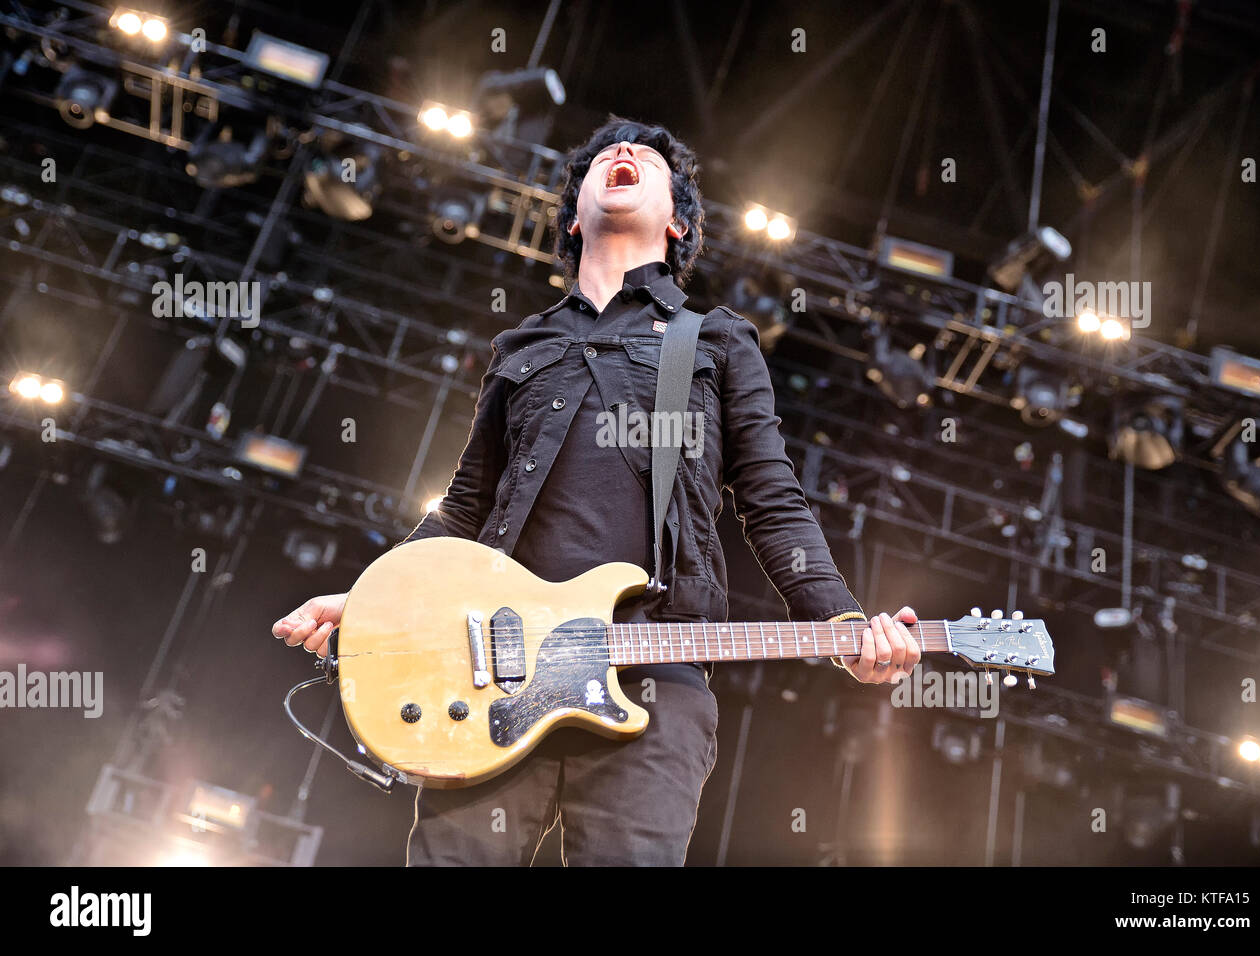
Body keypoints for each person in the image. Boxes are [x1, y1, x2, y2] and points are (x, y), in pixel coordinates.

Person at [272, 116, 919, 865]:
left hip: (652, 680)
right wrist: (375, 600)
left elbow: (772, 501)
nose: (622, 154)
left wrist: (841, 623)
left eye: (645, 158)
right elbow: (462, 509)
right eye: (605, 156)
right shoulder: (523, 347)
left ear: (676, 221)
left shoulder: (714, 340)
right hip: (493, 677)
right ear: (573, 216)